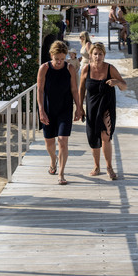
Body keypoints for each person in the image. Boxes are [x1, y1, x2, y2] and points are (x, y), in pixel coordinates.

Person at [79, 41, 127, 180]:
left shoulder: (110, 68)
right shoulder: (86, 69)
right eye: (95, 54)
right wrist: (80, 107)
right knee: (93, 137)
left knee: (105, 136)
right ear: (90, 55)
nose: (98, 57)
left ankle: (109, 167)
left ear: (104, 55)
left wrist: (116, 82)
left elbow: (124, 86)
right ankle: (96, 166)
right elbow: (81, 89)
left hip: (106, 107)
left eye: (100, 54)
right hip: (91, 107)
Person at [37, 40, 82, 185]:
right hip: (49, 109)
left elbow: (74, 89)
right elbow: (40, 90)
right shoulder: (44, 68)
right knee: (49, 143)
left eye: (62, 59)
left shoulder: (69, 68)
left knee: (62, 140)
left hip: (65, 108)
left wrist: (79, 108)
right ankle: (53, 160)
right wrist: (41, 111)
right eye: (57, 59)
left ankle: (61, 173)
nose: (59, 62)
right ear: (51, 55)